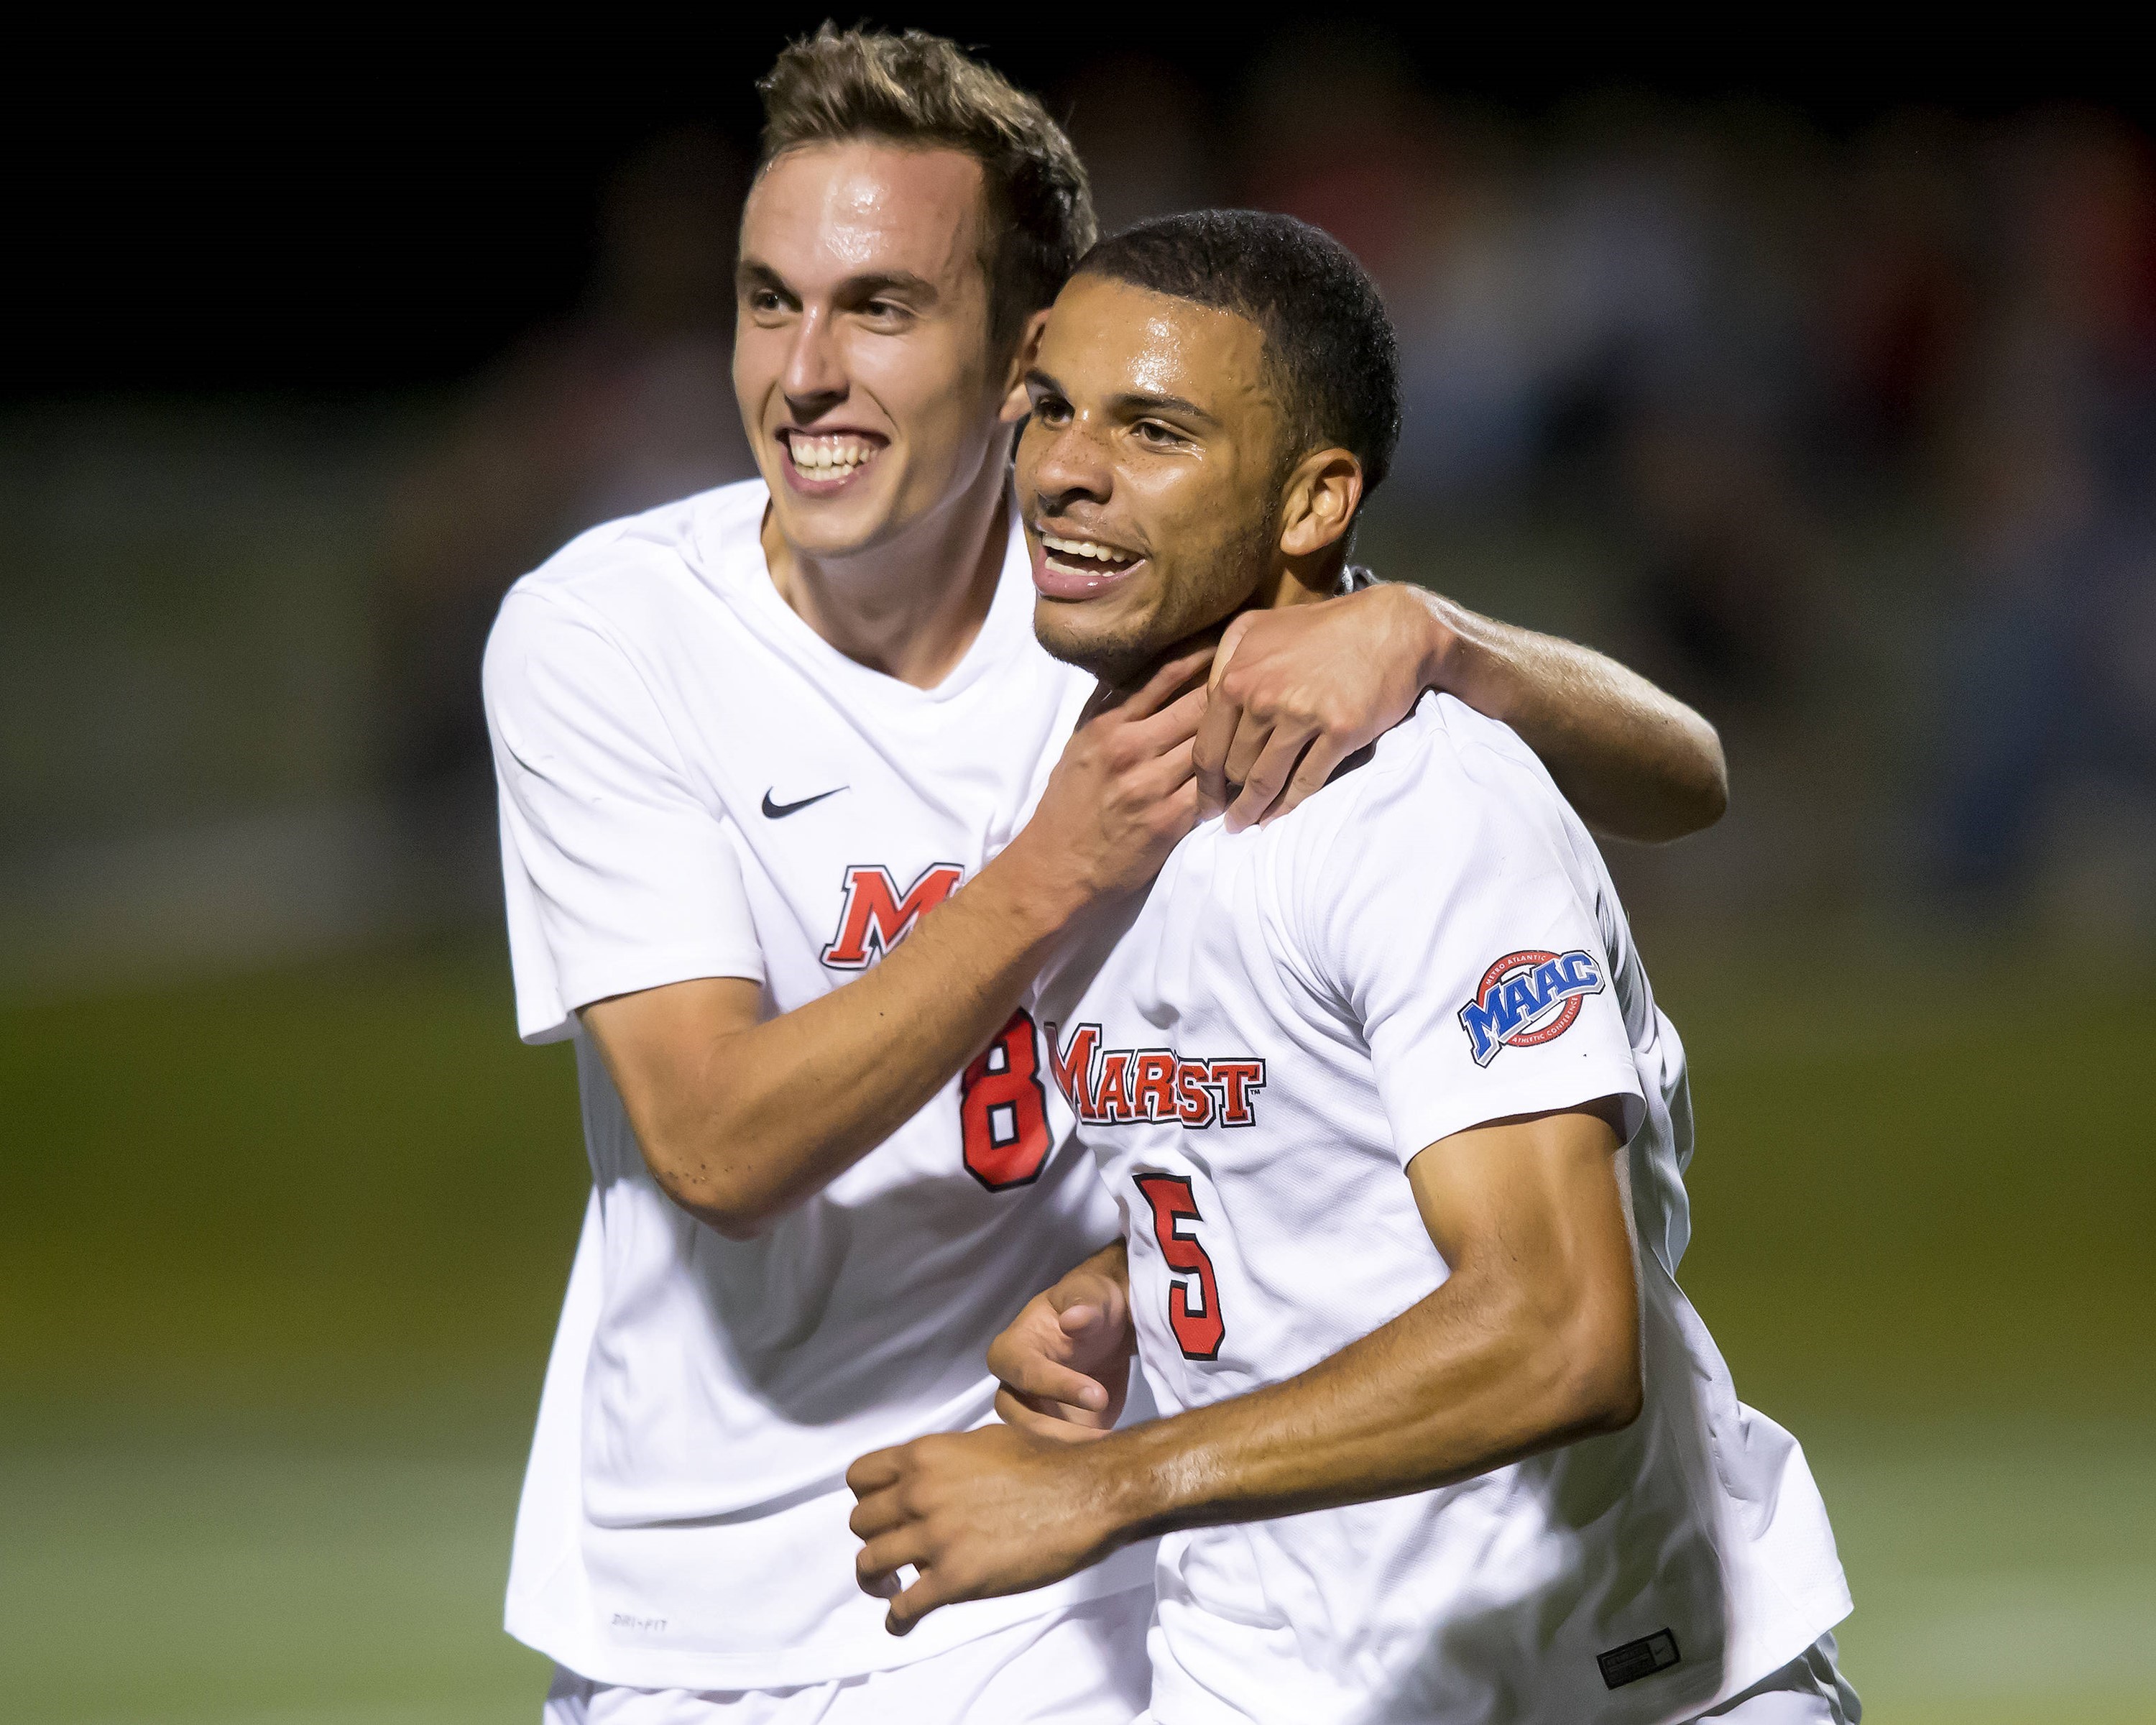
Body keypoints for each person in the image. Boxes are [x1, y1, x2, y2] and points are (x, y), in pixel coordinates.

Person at [484, 29, 1730, 1725]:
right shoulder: (612, 630)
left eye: (883, 309)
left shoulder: (1146, 594)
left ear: (1020, 342)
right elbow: (713, 1139)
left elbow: (1683, 775)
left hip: (1097, 1576)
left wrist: (1438, 637)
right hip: (692, 1566)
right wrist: (1046, 880)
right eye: (769, 300)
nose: (804, 371)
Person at [844, 212, 1856, 1723]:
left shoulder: (1419, 806)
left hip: (1606, 1688)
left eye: (1155, 428)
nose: (1062, 465)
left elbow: (1560, 1331)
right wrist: (1147, 1283)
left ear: (1317, 501)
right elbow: (1305, 1136)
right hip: (1263, 1674)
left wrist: (1108, 1486)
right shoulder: (1093, 787)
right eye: (1052, 405)